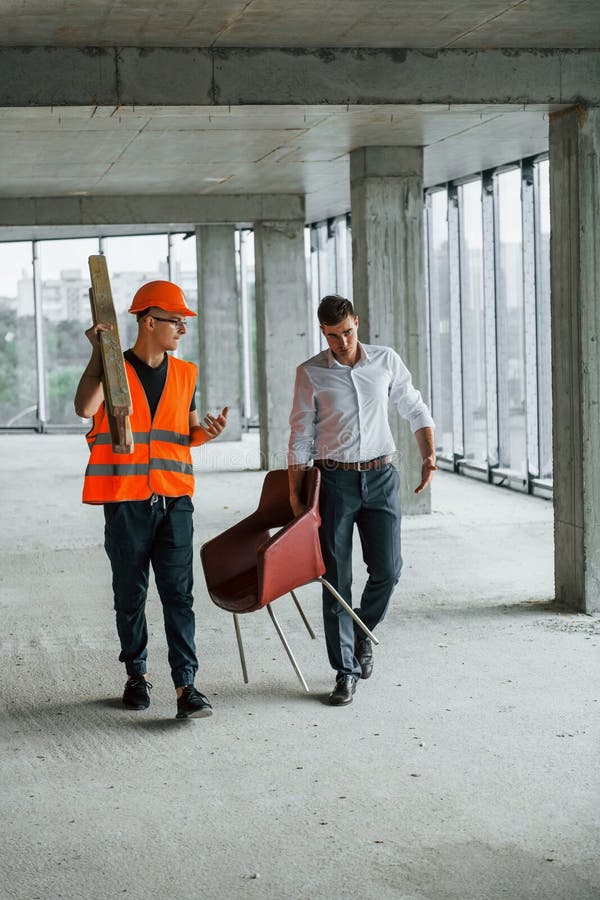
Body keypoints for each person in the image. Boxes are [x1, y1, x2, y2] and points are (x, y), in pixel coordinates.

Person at [75, 280, 228, 720]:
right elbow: (85, 408)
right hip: (126, 500)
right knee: (131, 594)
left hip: (175, 499)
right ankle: (137, 675)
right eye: (175, 320)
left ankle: (187, 687)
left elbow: (187, 432)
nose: (182, 328)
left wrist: (207, 432)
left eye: (183, 322)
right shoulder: (113, 369)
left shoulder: (186, 374)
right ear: (148, 321)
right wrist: (97, 354)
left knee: (179, 595)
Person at [288, 294, 436, 706]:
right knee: (336, 581)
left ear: (357, 321)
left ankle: (360, 634)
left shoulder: (385, 361)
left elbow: (414, 406)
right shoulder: (311, 373)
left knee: (388, 570)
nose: (342, 342)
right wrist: (296, 496)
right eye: (333, 336)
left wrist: (428, 454)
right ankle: (344, 670)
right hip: (333, 481)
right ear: (323, 332)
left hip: (382, 477)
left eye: (348, 332)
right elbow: (301, 435)